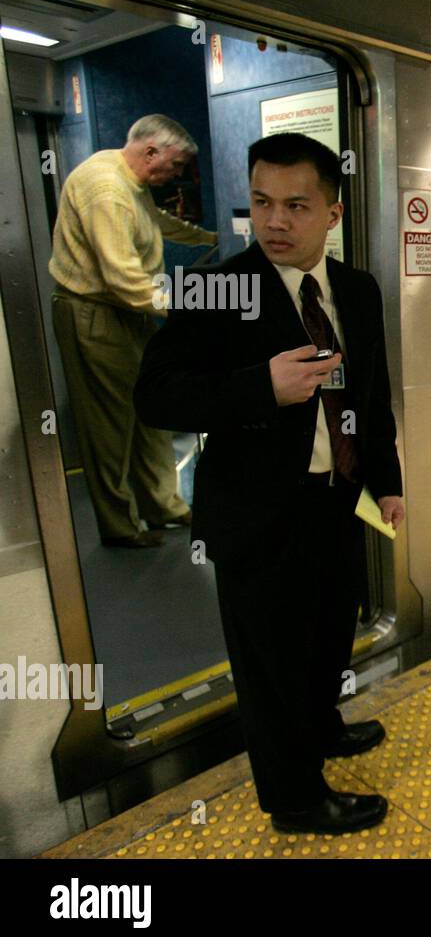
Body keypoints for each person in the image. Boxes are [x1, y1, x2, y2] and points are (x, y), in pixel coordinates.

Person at [135, 133, 405, 834]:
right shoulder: (217, 288)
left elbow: (368, 398)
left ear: (332, 214)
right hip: (256, 513)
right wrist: (260, 388)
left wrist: (387, 481)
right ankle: (293, 798)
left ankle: (320, 728)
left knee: (326, 637)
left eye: (296, 205)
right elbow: (156, 395)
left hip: (337, 500)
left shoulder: (355, 291)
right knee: (270, 664)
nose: (276, 221)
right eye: (261, 202)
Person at [49, 114, 217, 548]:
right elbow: (124, 278)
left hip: (131, 312)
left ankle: (164, 506)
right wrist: (187, 312)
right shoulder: (106, 191)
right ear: (150, 152)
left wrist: (210, 237)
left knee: (152, 409)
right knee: (109, 424)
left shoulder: (127, 179)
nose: (177, 175)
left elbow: (158, 223)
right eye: (176, 166)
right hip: (96, 314)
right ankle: (120, 526)